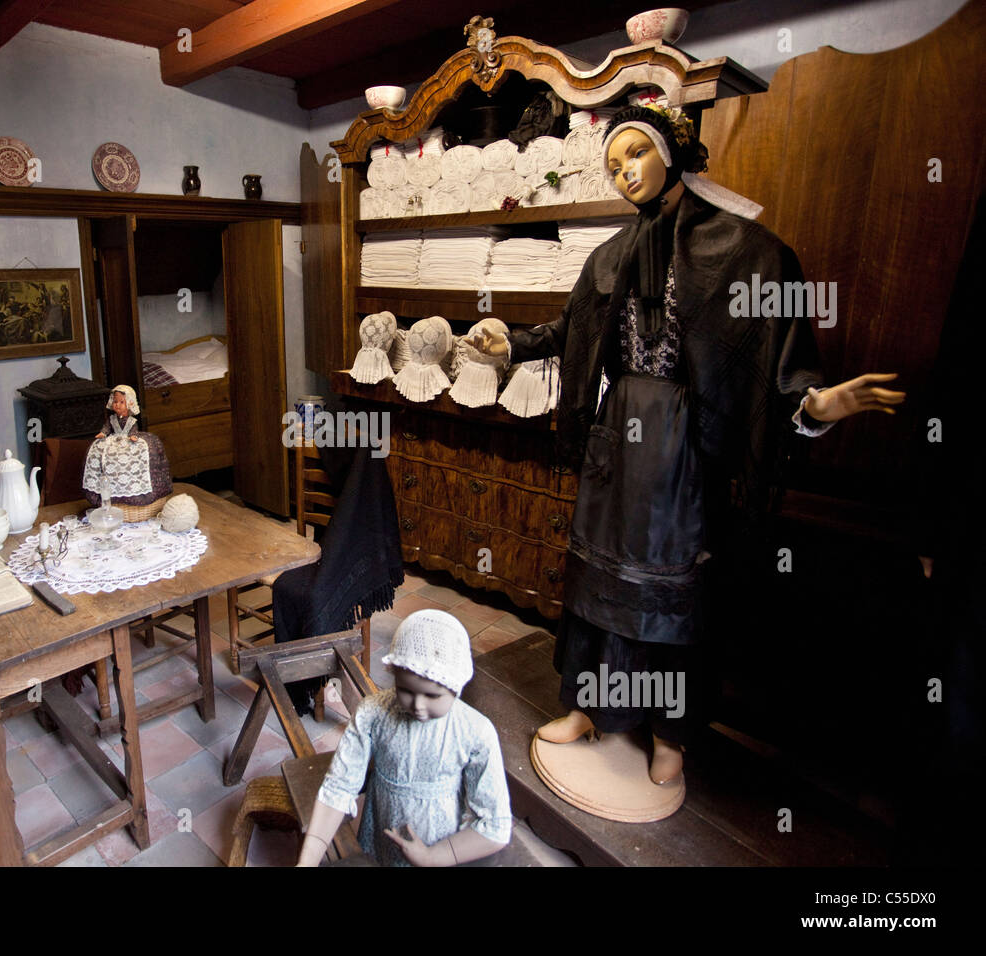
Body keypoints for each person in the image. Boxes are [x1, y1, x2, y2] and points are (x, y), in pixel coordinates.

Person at [468, 105, 905, 785]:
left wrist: (816, 404)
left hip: (684, 448)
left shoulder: (744, 249)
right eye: (613, 163)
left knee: (675, 593)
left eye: (636, 153)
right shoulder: (610, 255)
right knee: (600, 583)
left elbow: (775, 346)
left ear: (671, 152)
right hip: (619, 437)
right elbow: (572, 327)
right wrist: (512, 344)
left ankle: (670, 729)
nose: (624, 171)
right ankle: (590, 706)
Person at [297, 610, 511, 866]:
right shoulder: (372, 714)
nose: (418, 706)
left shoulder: (475, 731)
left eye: (433, 696)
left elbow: (495, 826)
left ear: (456, 686)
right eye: (405, 690)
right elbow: (339, 787)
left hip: (443, 847)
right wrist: (308, 859)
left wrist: (435, 856)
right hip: (382, 838)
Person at [82, 384, 171, 508]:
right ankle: (109, 495)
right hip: (113, 439)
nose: (117, 404)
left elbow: (133, 430)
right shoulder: (112, 418)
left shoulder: (131, 421)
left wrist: (133, 436)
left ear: (129, 404)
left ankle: (137, 493)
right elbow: (107, 428)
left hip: (128, 439)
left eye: (121, 402)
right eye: (115, 401)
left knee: (138, 454)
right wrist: (103, 433)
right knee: (100, 452)